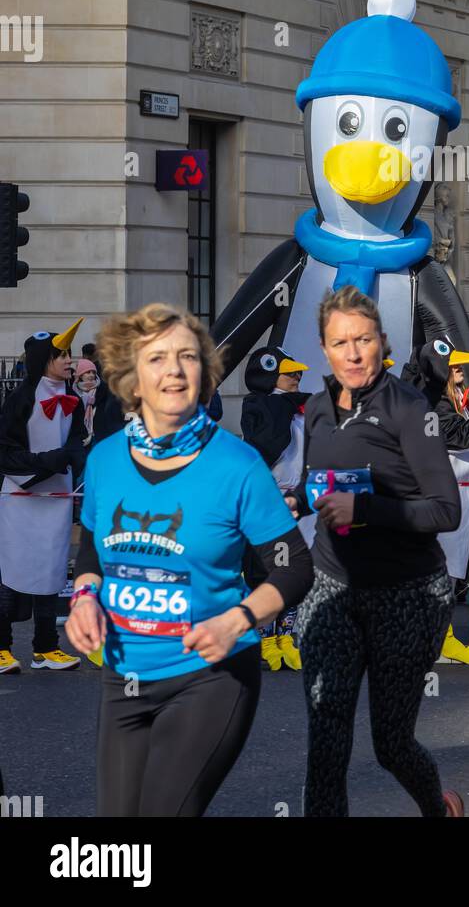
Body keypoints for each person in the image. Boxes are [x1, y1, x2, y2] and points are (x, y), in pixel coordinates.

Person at [65, 302, 313, 817]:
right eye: (157, 358)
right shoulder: (106, 459)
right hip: (124, 673)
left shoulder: (237, 465)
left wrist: (239, 620)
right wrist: (87, 595)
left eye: (187, 357)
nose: (174, 370)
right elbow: (90, 541)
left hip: (211, 674)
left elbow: (294, 566)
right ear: (132, 379)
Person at [289, 284, 464, 818]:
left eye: (363, 339)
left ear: (381, 342)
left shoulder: (409, 409)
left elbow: (445, 511)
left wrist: (364, 510)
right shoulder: (317, 409)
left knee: (391, 745)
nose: (353, 353)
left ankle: (439, 808)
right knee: (327, 741)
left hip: (406, 595)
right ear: (324, 348)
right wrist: (296, 499)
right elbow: (320, 485)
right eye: (340, 342)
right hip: (332, 587)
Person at [402, 336, 469, 665]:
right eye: (453, 363)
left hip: (464, 494)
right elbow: (462, 438)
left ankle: (438, 635)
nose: (460, 367)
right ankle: (437, 638)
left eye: (462, 361)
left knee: (452, 566)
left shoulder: (461, 398)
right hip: (442, 497)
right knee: (441, 567)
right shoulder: (435, 402)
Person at [0, 319, 86, 674]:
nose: (70, 361)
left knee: (51, 573)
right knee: (11, 573)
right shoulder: (20, 399)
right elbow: (5, 452)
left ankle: (46, 647)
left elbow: (77, 442)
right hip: (21, 500)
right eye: (61, 355)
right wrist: (49, 462)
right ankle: (2, 648)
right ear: (43, 360)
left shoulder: (74, 400)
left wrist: (73, 460)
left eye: (69, 355)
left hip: (56, 498)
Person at [241, 347, 312, 672]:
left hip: (295, 498)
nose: (297, 377)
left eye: (298, 373)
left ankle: (287, 636)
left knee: (293, 568)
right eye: (289, 373)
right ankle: (265, 639)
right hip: (265, 497)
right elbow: (267, 445)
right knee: (262, 569)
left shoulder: (299, 407)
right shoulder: (258, 403)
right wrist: (283, 409)